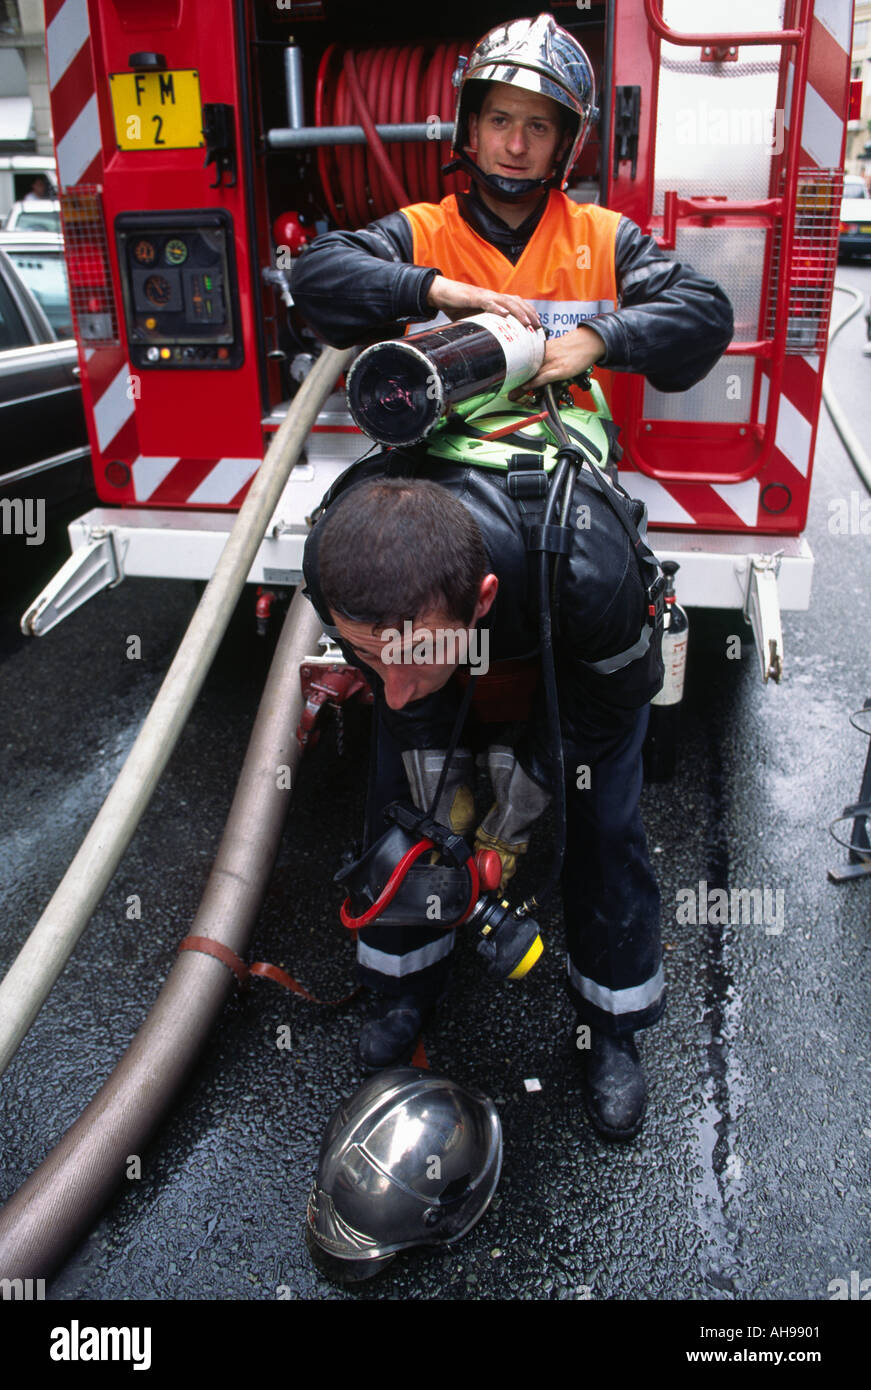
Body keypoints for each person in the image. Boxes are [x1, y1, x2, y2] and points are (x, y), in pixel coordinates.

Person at [291, 13, 733, 1140]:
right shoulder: (424, 228)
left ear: (565, 143)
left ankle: (611, 1024)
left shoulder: (600, 236)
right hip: (443, 523)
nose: (513, 144)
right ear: (467, 125)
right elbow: (321, 273)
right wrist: (443, 295)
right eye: (498, 119)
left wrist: (601, 340)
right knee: (417, 777)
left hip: (563, 521)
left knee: (602, 809)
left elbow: (702, 314)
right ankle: (404, 979)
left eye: (537, 127)